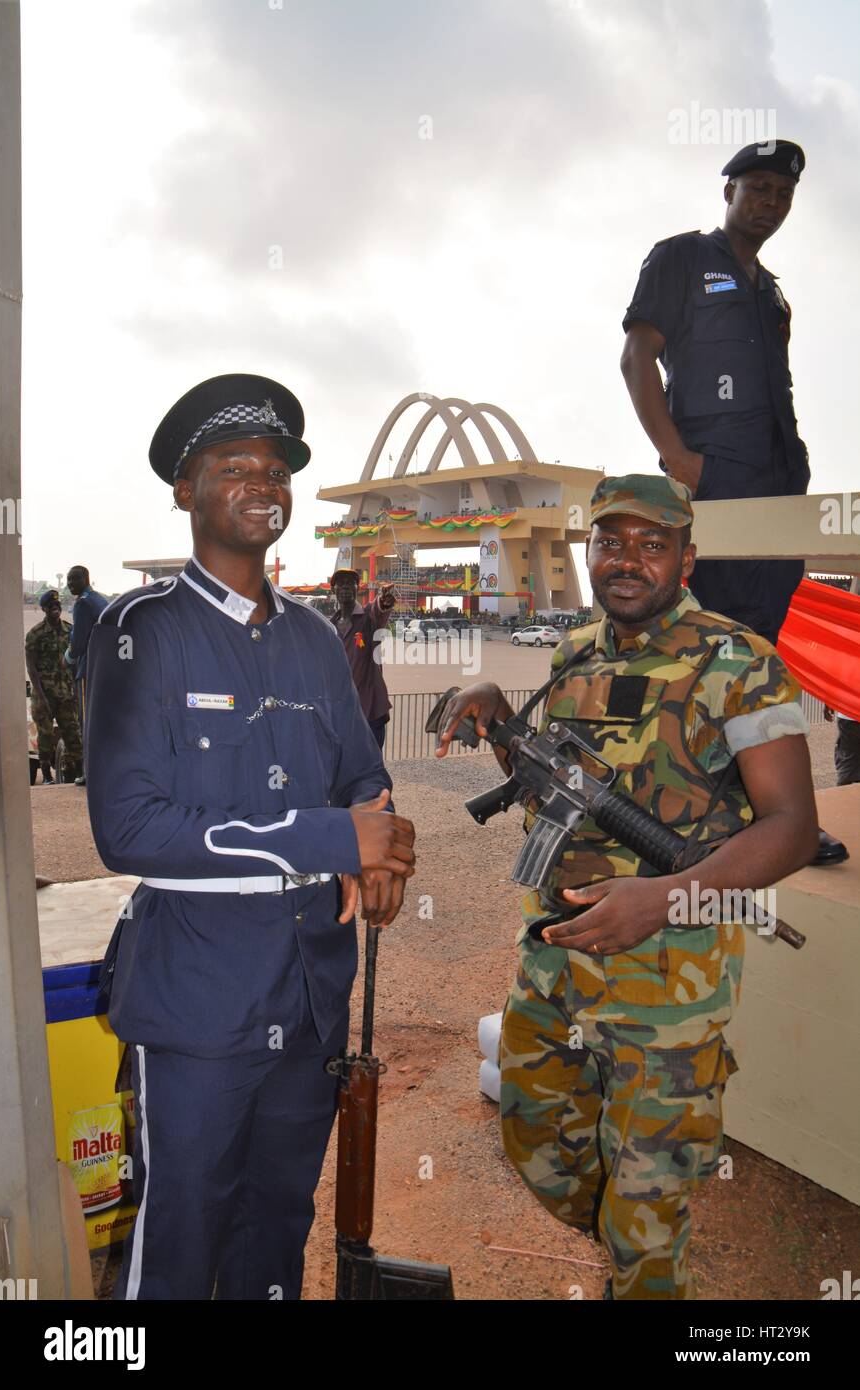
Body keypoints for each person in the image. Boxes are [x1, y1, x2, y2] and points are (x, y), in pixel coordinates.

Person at [436, 473, 818, 1300]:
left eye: (653, 543)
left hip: (668, 990)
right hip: (554, 967)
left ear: (686, 557)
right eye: (612, 541)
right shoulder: (576, 652)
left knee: (647, 1218)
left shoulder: (740, 663)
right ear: (589, 550)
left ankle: (644, 1266)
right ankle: (630, 1248)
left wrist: (665, 898)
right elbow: (557, 790)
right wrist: (498, 712)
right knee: (534, 1144)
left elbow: (790, 827)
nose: (628, 559)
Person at [85, 373, 416, 1300]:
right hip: (198, 998)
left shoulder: (316, 639)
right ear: (185, 490)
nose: (262, 481)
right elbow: (129, 828)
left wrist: (382, 839)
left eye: (276, 469)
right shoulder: (139, 632)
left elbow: (361, 772)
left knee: (279, 1223)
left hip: (312, 992)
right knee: (183, 1234)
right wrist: (332, 840)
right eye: (235, 466)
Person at [620, 139, 846, 866]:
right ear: (729, 192)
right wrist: (679, 458)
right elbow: (636, 358)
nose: (770, 203)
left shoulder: (772, 292)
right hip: (717, 485)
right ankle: (696, 812)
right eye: (757, 188)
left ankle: (774, 819)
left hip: (778, 483)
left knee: (763, 655)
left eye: (781, 193)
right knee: (708, 647)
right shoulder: (682, 258)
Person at [329, 567, 396, 748]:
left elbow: (379, 611)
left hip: (370, 712)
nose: (345, 587)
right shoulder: (329, 627)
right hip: (342, 713)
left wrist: (384, 602)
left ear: (358, 588)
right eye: (340, 584)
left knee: (372, 770)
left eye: (350, 583)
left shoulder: (367, 618)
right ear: (333, 590)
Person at [24, 589, 83, 785]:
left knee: (73, 734)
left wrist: (75, 689)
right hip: (44, 695)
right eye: (51, 607)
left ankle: (80, 772)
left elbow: (76, 661)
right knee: (46, 737)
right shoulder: (35, 634)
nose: (55, 609)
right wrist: (41, 696)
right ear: (44, 609)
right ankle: (47, 777)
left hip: (66, 695)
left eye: (57, 606)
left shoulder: (70, 630)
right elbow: (31, 667)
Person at [65, 565, 108, 784]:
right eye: (68, 581)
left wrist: (69, 657)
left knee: (87, 721)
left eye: (73, 580)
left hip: (87, 669)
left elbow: (78, 642)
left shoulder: (83, 604)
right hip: (104, 668)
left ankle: (89, 773)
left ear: (85, 579)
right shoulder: (100, 600)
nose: (70, 585)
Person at [824, 705, 860, 786]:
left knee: (847, 757)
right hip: (849, 716)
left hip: (849, 714)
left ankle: (842, 791)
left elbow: (834, 691)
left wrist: (828, 704)